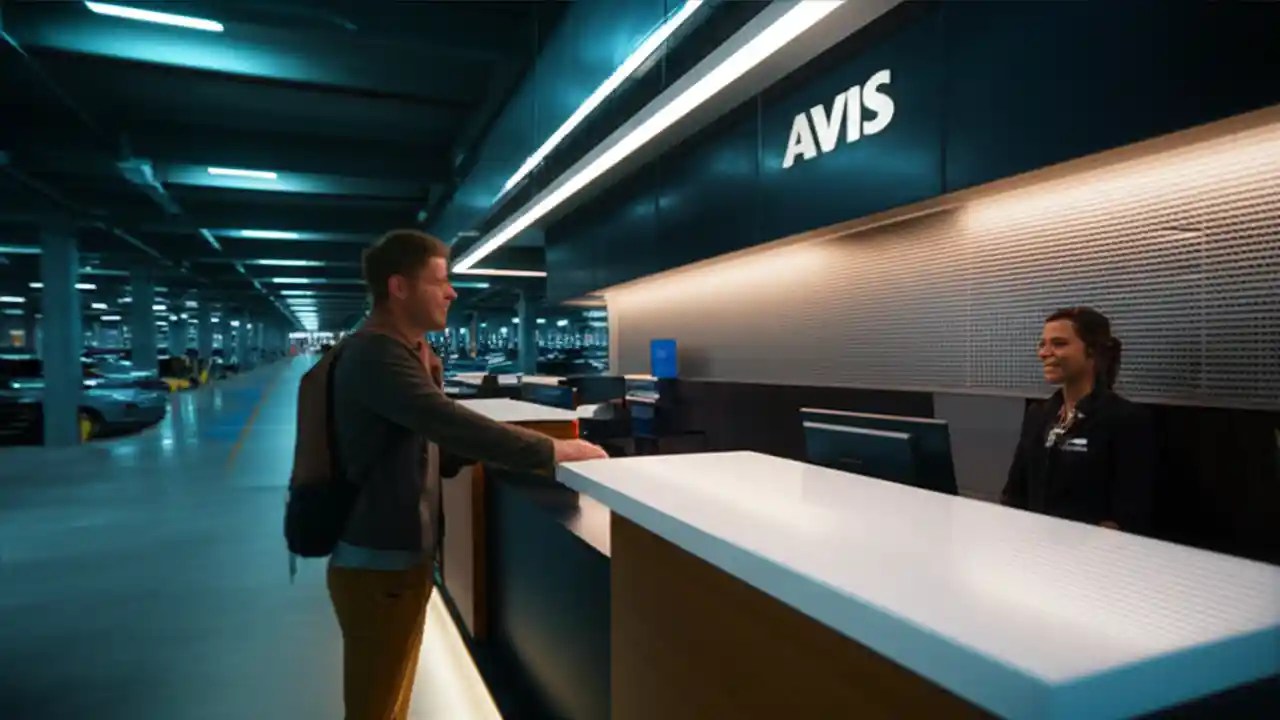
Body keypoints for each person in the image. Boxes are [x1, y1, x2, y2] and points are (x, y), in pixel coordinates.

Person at [328, 229, 607, 720]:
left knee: (390, 695)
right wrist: (554, 450)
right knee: (375, 704)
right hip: (378, 565)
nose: (453, 291)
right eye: (440, 280)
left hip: (395, 560)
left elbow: (432, 442)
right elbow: (447, 423)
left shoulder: (406, 350)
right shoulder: (376, 354)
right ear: (399, 287)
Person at [1001, 307, 1154, 532]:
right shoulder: (1039, 414)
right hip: (1032, 549)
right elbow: (1014, 493)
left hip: (1090, 558)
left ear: (1092, 351)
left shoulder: (1125, 419)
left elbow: (1130, 512)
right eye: (1042, 344)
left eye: (1059, 344)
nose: (1045, 352)